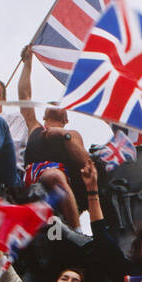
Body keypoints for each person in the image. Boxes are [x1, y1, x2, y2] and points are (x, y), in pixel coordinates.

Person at [18, 44, 91, 228]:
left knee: (56, 176)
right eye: (51, 105)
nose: (55, 105)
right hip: (32, 175)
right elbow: (24, 97)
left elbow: (86, 164)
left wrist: (63, 135)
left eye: (60, 105)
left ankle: (77, 232)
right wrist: (27, 63)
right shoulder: (35, 127)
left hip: (60, 178)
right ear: (44, 115)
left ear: (66, 118)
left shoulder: (72, 134)